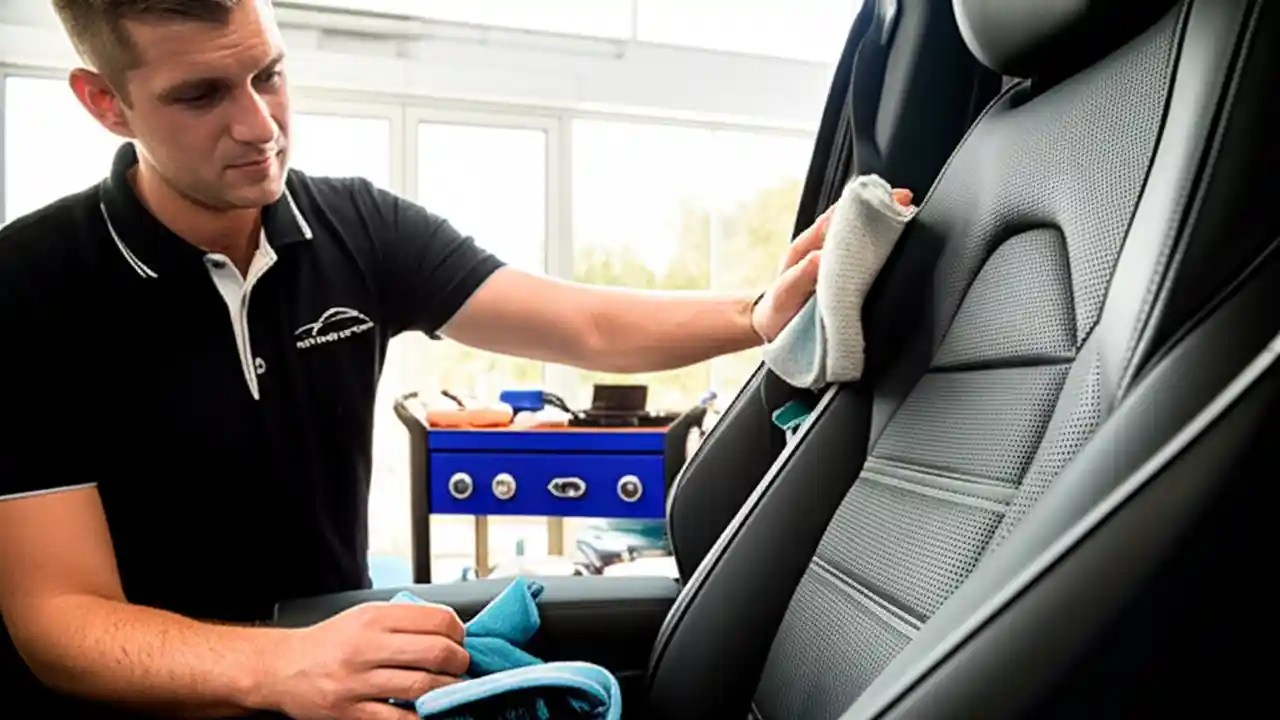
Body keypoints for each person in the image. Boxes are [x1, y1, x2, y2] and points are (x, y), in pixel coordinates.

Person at [0, 1, 835, 718]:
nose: (259, 126)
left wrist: (759, 312)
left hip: (337, 679)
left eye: (269, 75)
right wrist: (280, 668)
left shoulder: (357, 227)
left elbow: (583, 324)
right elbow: (57, 617)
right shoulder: (29, 286)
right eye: (200, 95)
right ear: (106, 102)